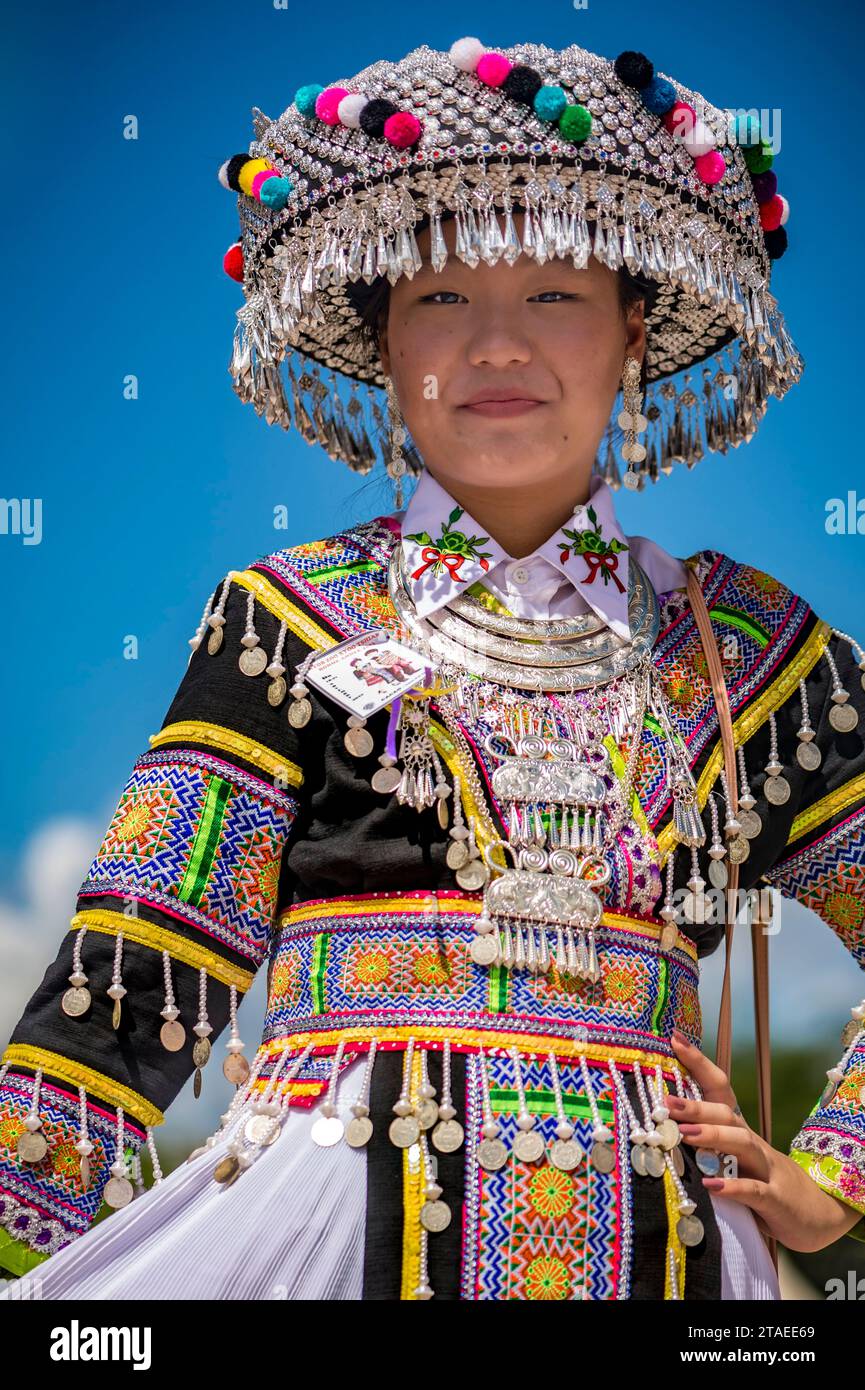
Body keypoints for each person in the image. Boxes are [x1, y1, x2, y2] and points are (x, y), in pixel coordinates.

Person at [1, 34, 864, 1303]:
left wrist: (831, 1180)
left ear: (634, 329)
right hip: (324, 1239)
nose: (497, 346)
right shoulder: (288, 621)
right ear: (384, 338)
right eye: (442, 298)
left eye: (554, 295)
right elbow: (132, 971)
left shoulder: (745, 655)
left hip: (675, 1261)